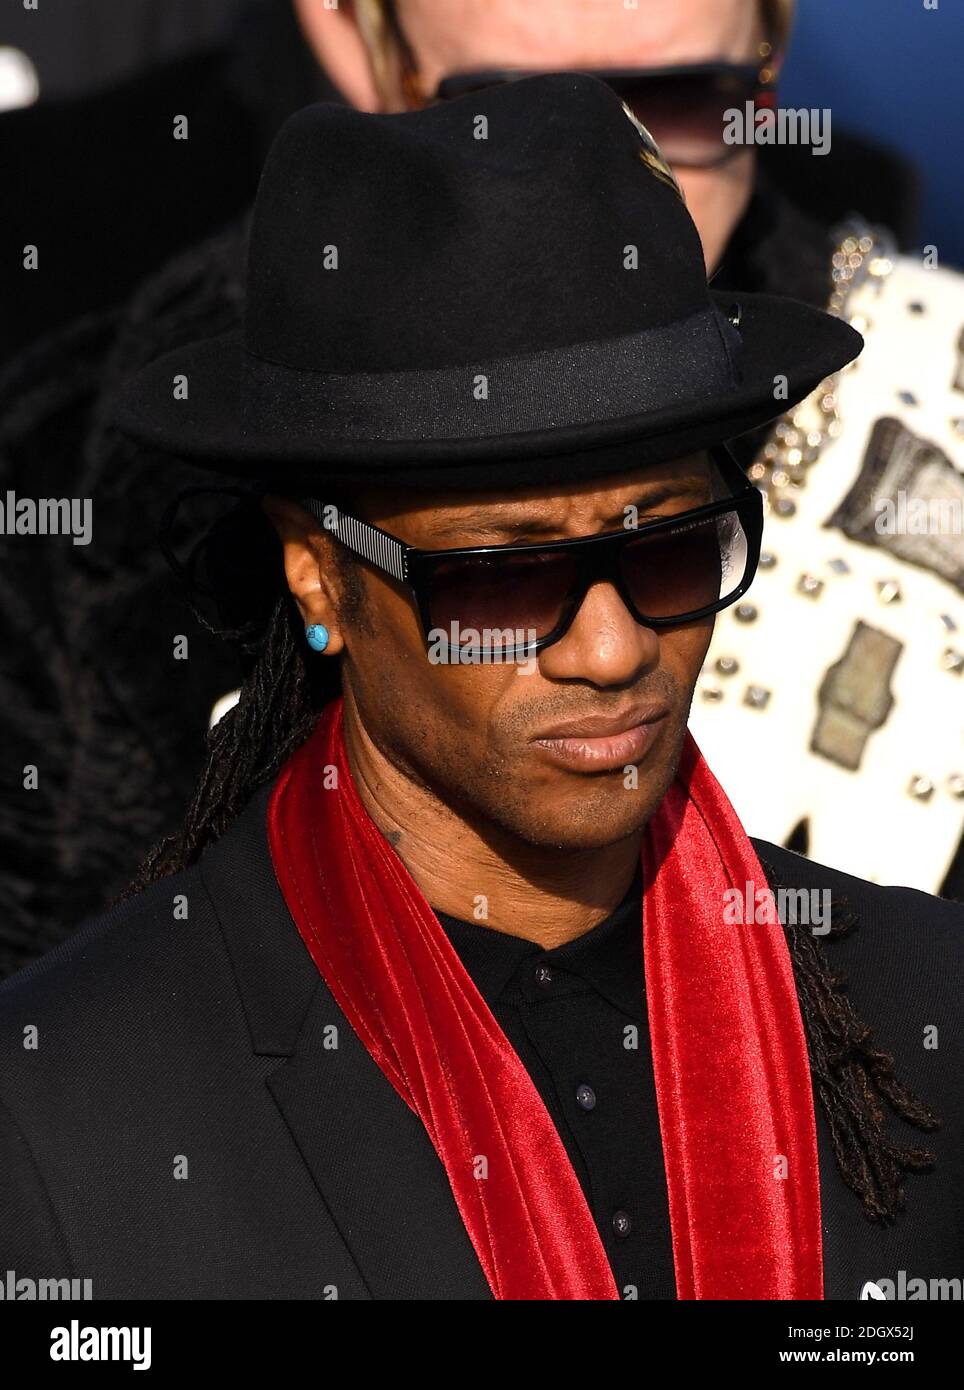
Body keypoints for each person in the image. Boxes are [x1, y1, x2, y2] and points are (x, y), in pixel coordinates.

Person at [1, 77, 961, 1302]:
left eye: (670, 547)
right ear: (318, 576)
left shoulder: (927, 1004)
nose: (611, 650)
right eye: (504, 583)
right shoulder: (65, 1112)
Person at [0, 0, 958, 985]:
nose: (599, 175)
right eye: (510, 111)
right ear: (357, 43)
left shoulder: (936, 384)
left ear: (770, 56)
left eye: (684, 102)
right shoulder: (72, 471)